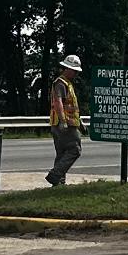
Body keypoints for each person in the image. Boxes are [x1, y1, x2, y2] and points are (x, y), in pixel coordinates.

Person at [47, 54, 83, 187]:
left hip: (64, 123)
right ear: (67, 69)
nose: (76, 74)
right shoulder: (61, 83)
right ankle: (55, 175)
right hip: (65, 124)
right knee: (75, 150)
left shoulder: (67, 83)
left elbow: (71, 105)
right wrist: (63, 121)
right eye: (74, 71)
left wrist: (80, 122)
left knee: (62, 153)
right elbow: (58, 103)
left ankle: (58, 183)